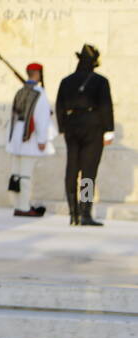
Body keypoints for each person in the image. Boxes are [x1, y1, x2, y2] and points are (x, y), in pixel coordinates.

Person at [56, 44, 115, 226]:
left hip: (72, 127)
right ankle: (85, 213)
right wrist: (109, 130)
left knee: (71, 171)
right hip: (93, 128)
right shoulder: (100, 81)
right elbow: (106, 106)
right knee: (88, 173)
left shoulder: (66, 81)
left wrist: (63, 127)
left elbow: (59, 106)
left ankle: (73, 214)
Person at [5, 62, 56, 218]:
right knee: (25, 175)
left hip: (16, 138)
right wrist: (42, 139)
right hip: (30, 137)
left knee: (16, 174)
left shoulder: (20, 91)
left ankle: (18, 204)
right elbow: (41, 118)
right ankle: (24, 207)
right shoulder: (38, 93)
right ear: (38, 74)